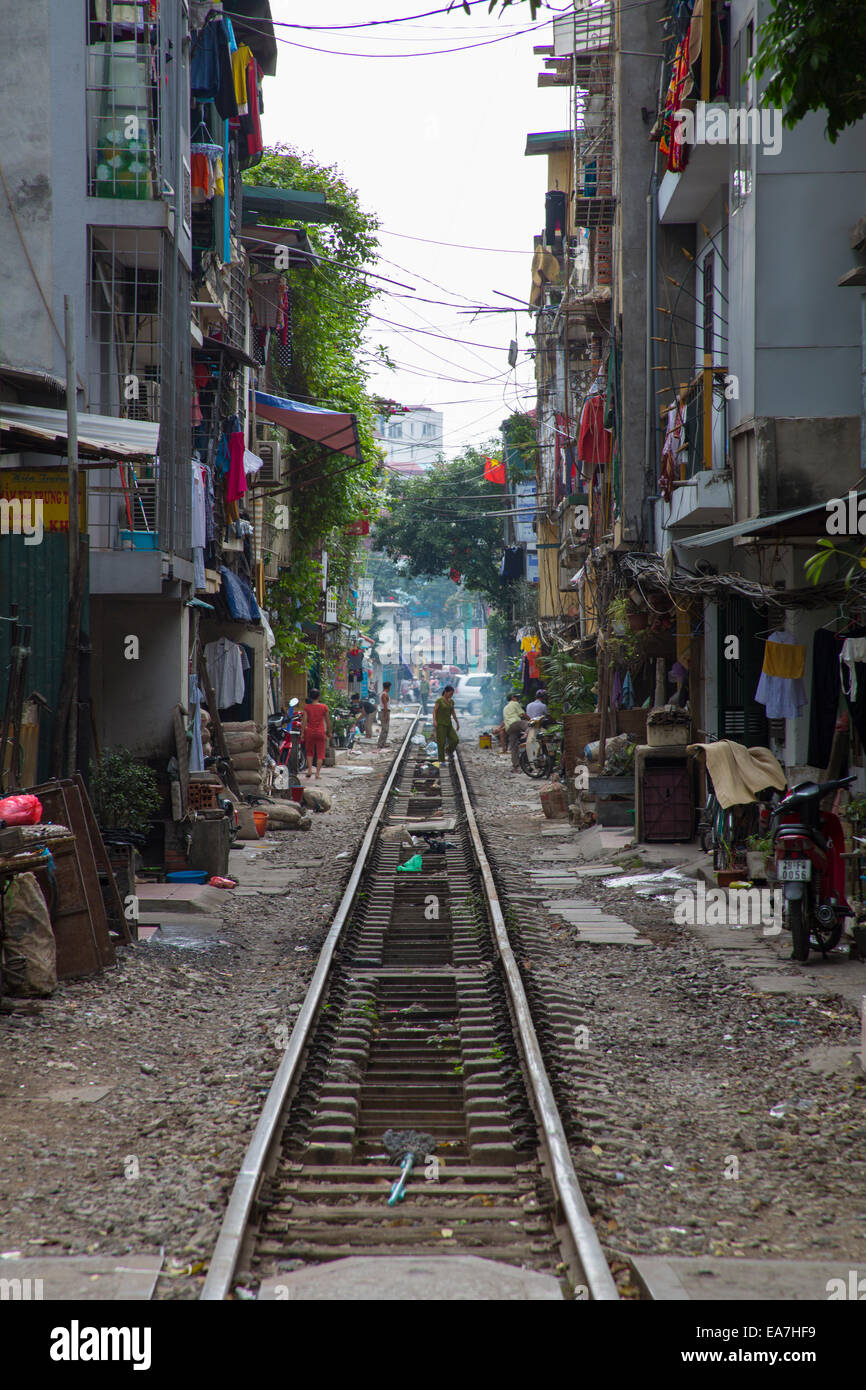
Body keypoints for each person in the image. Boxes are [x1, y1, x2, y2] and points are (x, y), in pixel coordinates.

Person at [299, 689, 332, 781]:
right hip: (320, 732)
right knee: (320, 754)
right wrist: (329, 732)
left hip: (309, 732)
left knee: (309, 752)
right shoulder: (324, 707)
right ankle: (317, 774)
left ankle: (309, 770)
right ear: (319, 697)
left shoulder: (307, 707)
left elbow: (304, 721)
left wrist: (302, 733)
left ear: (310, 697)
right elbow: (328, 721)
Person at [503, 691, 529, 772]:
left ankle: (515, 767)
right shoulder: (515, 704)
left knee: (514, 747)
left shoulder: (505, 708)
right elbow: (523, 714)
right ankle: (527, 734)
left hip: (509, 728)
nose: (518, 699)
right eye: (516, 697)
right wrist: (531, 720)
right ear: (512, 698)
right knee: (529, 725)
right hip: (515, 723)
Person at [433, 684, 460, 762]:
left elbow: (453, 713)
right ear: (445, 692)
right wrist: (434, 720)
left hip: (449, 724)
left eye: (452, 694)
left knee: (455, 740)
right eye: (450, 693)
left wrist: (457, 723)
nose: (451, 695)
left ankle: (448, 750)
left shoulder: (451, 701)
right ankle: (442, 761)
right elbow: (434, 710)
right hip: (440, 725)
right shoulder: (439, 700)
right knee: (441, 743)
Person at [377, 682, 391, 750]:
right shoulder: (384, 695)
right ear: (388, 687)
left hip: (384, 711)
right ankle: (381, 744)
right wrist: (386, 715)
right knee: (385, 729)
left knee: (385, 729)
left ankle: (382, 743)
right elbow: (385, 705)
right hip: (384, 712)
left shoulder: (383, 694)